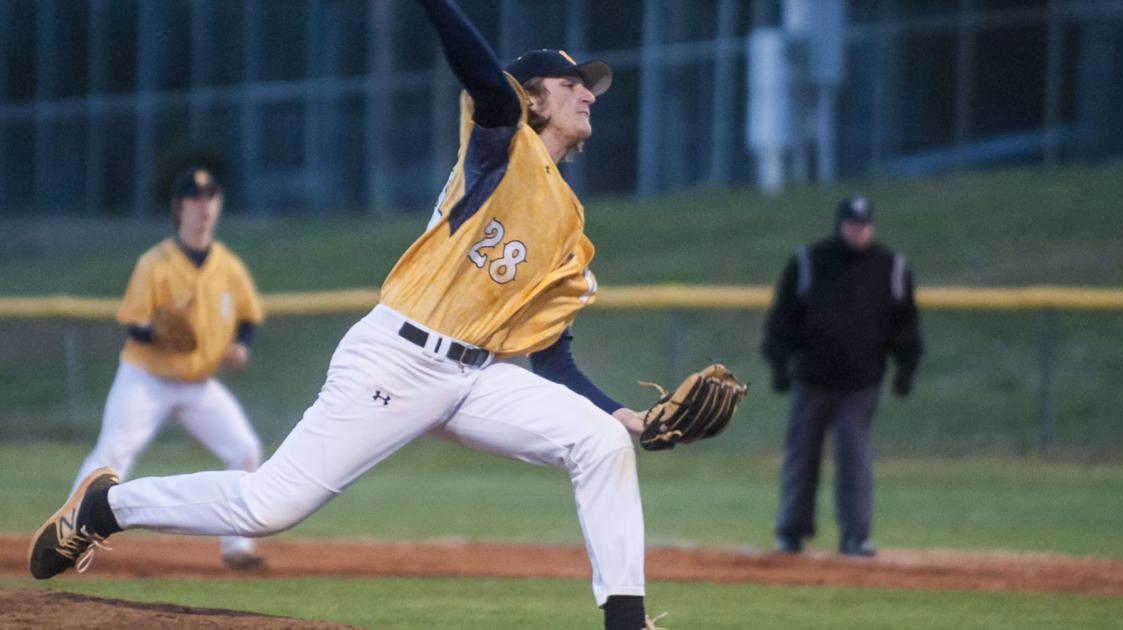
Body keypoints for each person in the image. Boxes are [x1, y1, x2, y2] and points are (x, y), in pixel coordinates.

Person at [30, 2, 661, 628]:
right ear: (533, 98)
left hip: (476, 379)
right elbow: (478, 73)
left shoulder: (571, 227)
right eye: (570, 84)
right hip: (398, 358)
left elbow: (552, 357)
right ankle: (108, 507)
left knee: (601, 443)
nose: (588, 95)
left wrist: (626, 415)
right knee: (267, 508)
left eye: (591, 86)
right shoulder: (503, 143)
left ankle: (625, 621)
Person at [66, 166, 267, 570]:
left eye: (210, 197)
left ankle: (237, 547)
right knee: (112, 456)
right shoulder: (154, 263)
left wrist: (241, 346)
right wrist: (160, 333)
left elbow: (247, 316)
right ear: (179, 208)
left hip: (197, 383)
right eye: (194, 198)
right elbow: (133, 323)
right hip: (148, 378)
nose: (204, 206)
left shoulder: (227, 265)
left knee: (245, 450)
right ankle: (69, 537)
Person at [762, 196, 923, 557]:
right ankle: (791, 530)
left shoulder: (890, 266)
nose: (859, 230)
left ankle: (856, 535)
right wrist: (778, 364)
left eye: (864, 224)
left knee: (855, 457)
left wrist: (905, 368)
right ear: (840, 224)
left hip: (861, 381)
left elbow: (905, 324)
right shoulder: (810, 261)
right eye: (853, 223)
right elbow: (783, 318)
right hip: (812, 378)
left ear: (872, 226)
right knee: (801, 457)